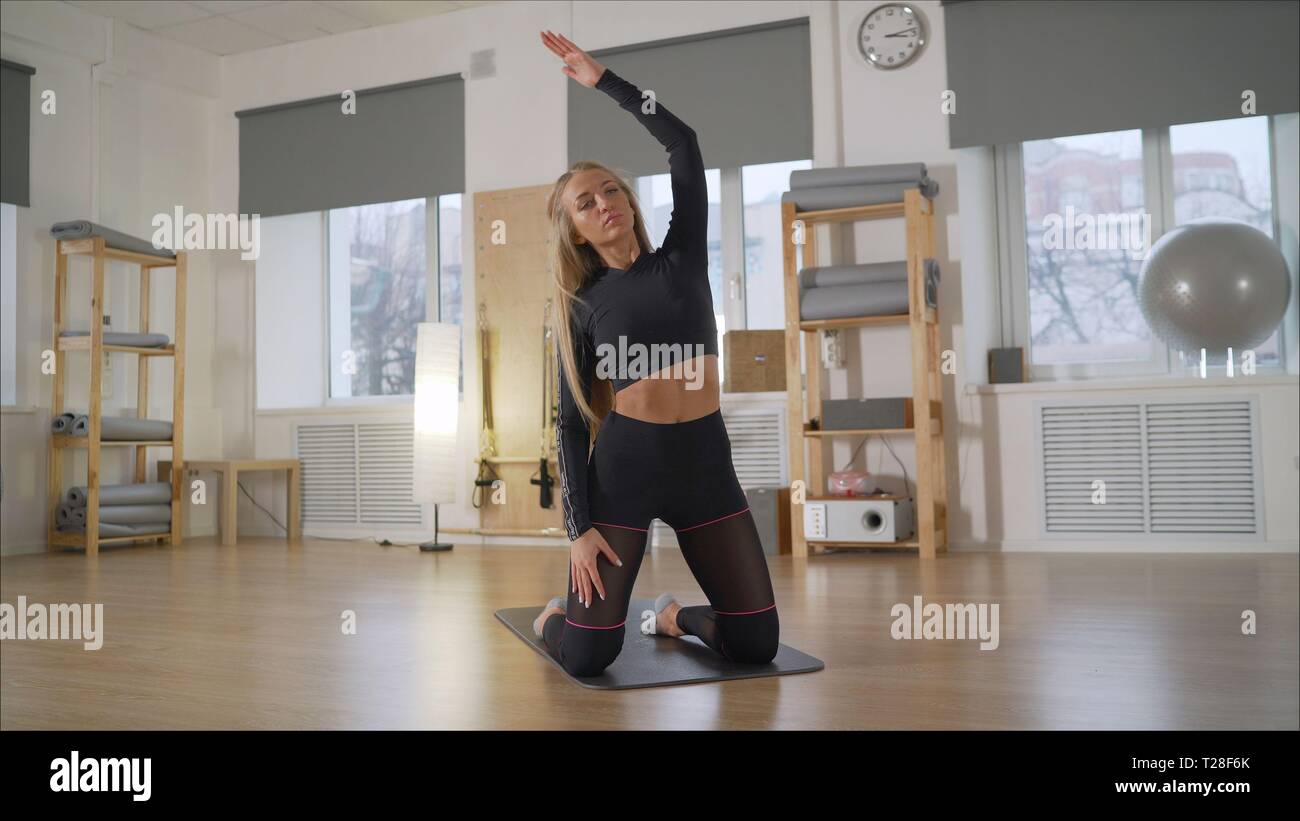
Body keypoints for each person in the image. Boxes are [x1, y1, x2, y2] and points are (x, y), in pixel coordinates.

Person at [532, 30, 779, 677]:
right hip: (624, 470)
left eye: (609, 189)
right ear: (575, 231)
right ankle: (556, 616)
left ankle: (674, 617)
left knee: (756, 645)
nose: (604, 203)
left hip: (704, 464)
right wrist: (577, 528)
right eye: (585, 203)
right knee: (588, 656)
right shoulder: (582, 304)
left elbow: (683, 143)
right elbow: (567, 423)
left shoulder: (682, 254)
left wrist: (603, 81)